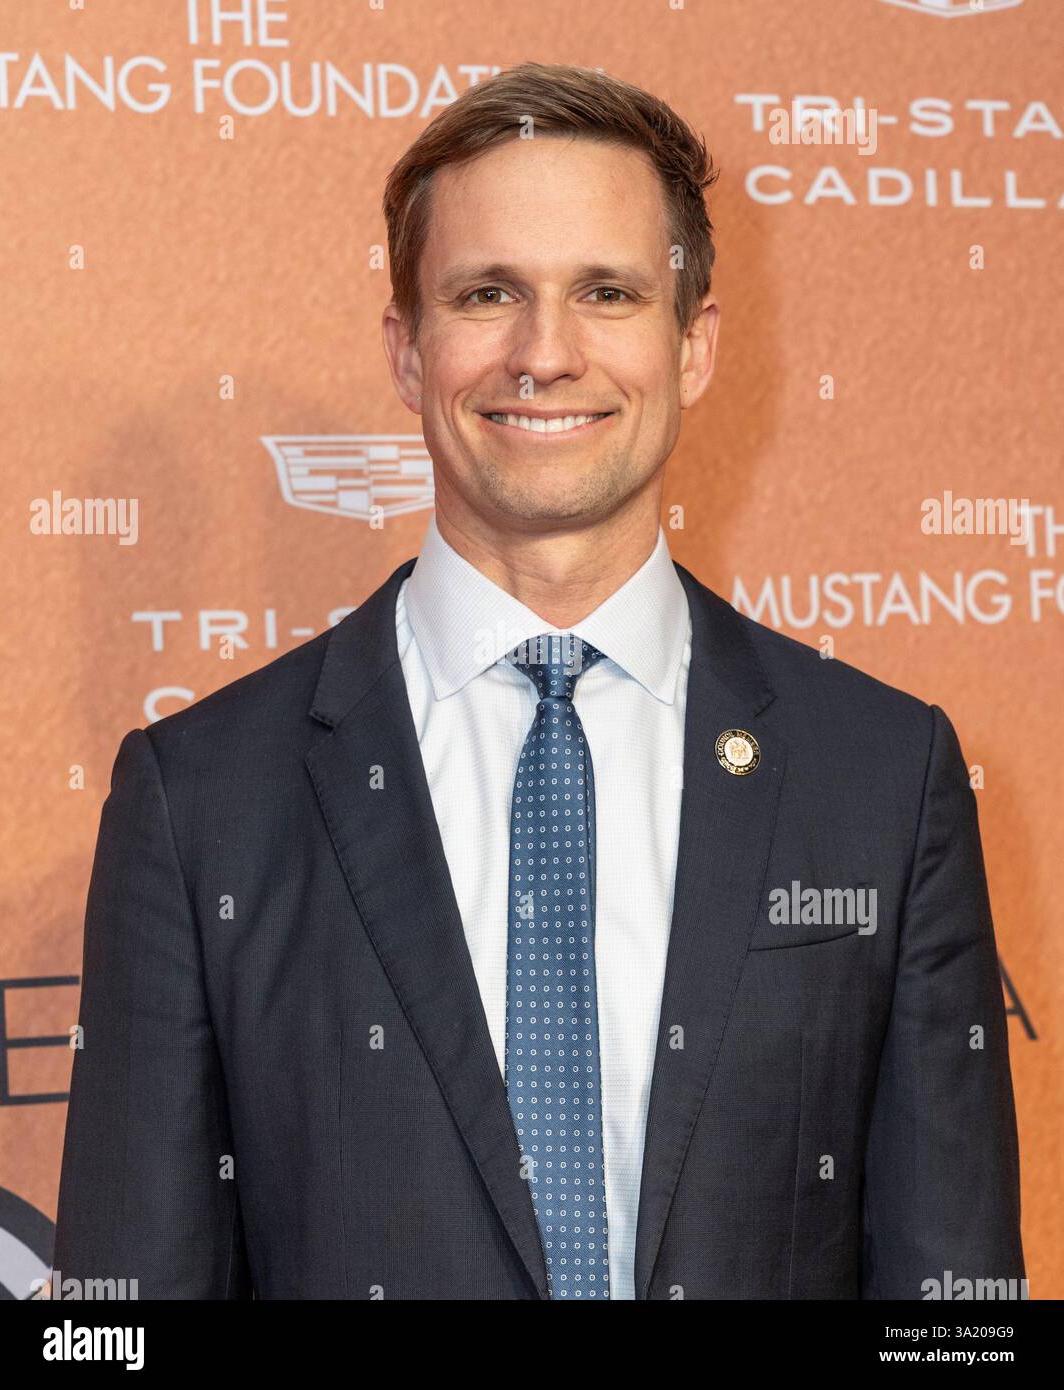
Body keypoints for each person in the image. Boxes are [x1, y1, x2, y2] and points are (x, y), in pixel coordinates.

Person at [53, 61, 1024, 1300]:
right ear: (407, 351)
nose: (544, 354)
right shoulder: (200, 803)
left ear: (696, 342)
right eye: (486, 292)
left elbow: (958, 1317)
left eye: (608, 292)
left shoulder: (886, 778)